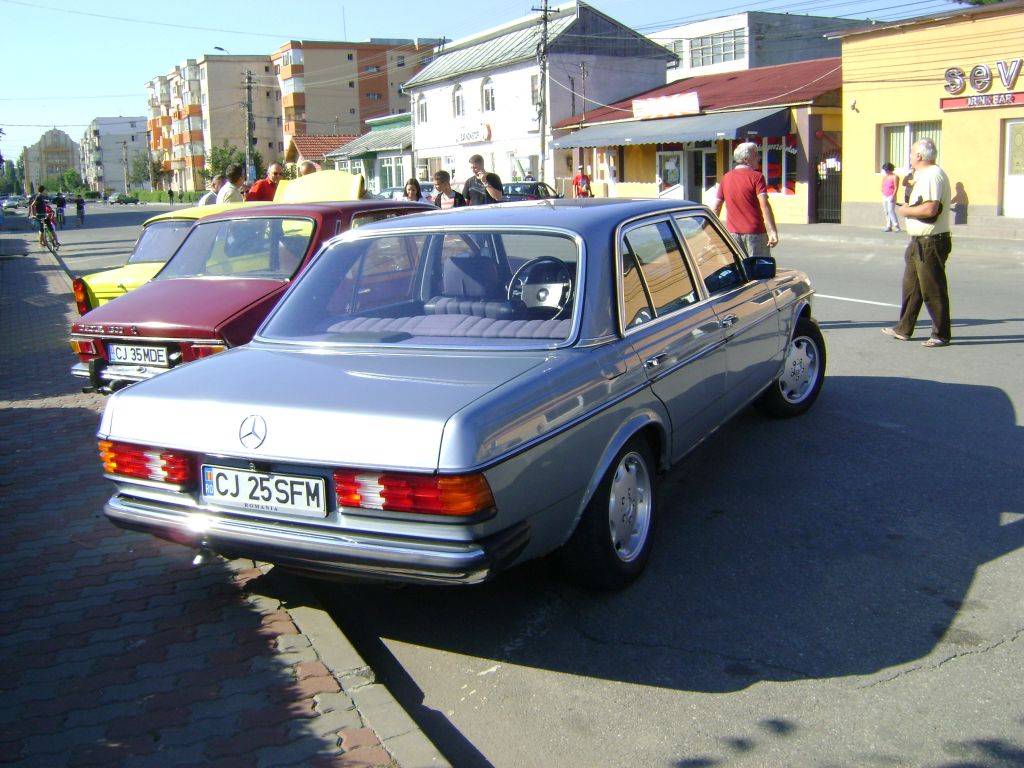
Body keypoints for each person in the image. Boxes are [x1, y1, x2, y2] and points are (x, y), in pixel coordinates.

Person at [883, 137, 953, 348]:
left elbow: (930, 209)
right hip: (919, 241)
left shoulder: (932, 175)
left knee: (933, 289)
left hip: (930, 241)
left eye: (912, 153)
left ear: (920, 156)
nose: (910, 157)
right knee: (912, 287)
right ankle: (903, 328)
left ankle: (941, 334)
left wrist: (905, 211)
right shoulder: (922, 176)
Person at [712, 142, 779, 258]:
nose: (759, 157)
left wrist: (711, 232)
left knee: (740, 270)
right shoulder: (757, 177)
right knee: (759, 270)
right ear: (746, 159)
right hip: (755, 233)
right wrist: (773, 231)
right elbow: (764, 205)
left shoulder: (726, 178)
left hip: (733, 233)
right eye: (756, 155)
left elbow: (716, 207)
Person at [881, 162, 900, 232]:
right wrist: (882, 190)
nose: (885, 171)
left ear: (889, 169)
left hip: (891, 196)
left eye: (886, 170)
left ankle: (897, 226)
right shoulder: (885, 177)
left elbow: (896, 187)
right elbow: (883, 185)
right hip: (885, 195)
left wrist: (893, 195)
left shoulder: (895, 177)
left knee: (891, 211)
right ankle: (888, 226)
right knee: (886, 211)